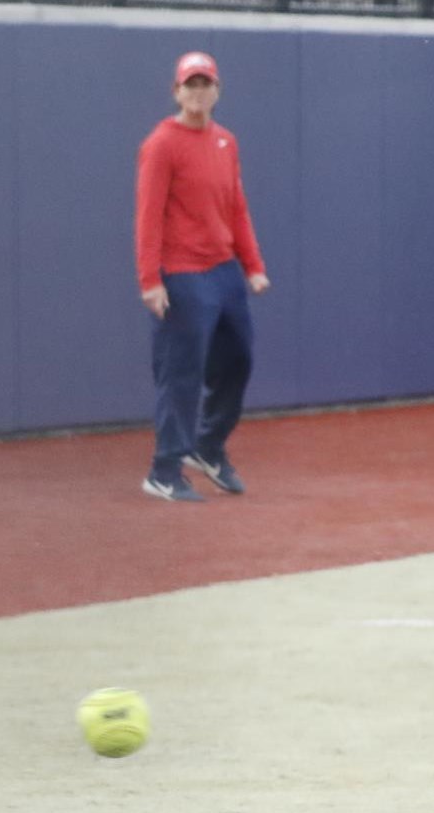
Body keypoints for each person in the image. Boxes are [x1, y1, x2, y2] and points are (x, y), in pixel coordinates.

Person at [136, 50, 266, 503]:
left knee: (238, 360)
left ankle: (208, 446)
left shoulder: (226, 142)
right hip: (182, 274)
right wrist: (150, 280)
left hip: (224, 271)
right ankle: (164, 471)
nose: (197, 92)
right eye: (189, 85)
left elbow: (237, 207)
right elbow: (148, 216)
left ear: (217, 91)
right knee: (182, 373)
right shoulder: (161, 144)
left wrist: (253, 266)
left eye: (204, 84)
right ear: (176, 92)